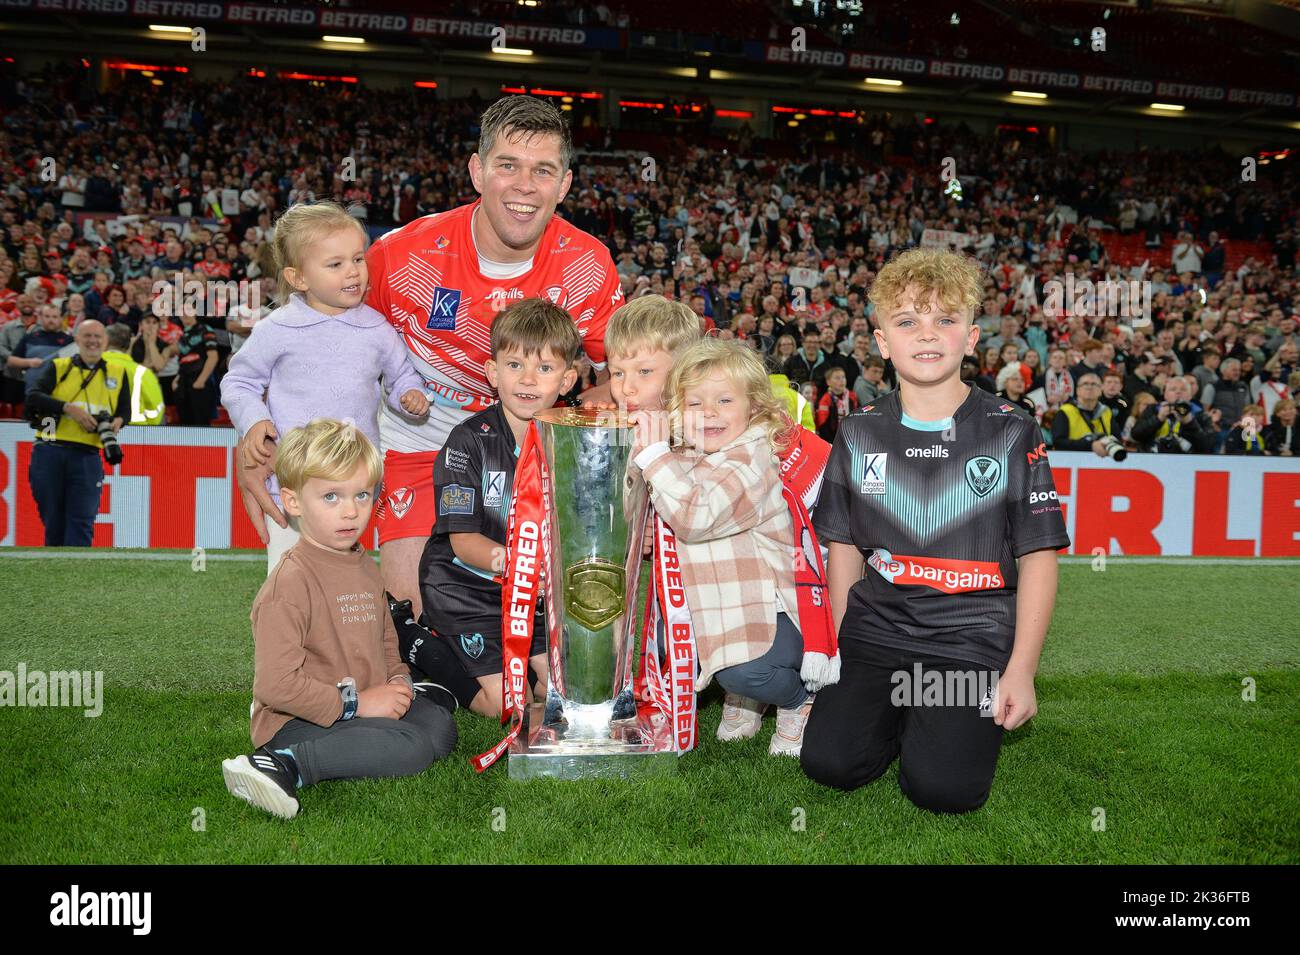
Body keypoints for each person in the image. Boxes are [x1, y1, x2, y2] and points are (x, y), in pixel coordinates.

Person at [235, 95, 623, 624]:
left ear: (565, 184)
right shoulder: (404, 255)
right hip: (420, 433)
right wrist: (256, 431)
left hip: (528, 445)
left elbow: (621, 380)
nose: (525, 185)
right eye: (508, 165)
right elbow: (308, 336)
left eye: (543, 170)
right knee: (414, 623)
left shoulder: (587, 264)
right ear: (477, 171)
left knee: (555, 622)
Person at [801, 247, 1070, 813]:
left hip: (970, 636)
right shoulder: (858, 431)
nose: (926, 334)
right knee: (830, 764)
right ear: (882, 343)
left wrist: (1021, 671)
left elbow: (1039, 557)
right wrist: (846, 645)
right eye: (907, 322)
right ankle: (900, 709)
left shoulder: (1012, 430)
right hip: (878, 629)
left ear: (970, 338)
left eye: (944, 320)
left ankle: (929, 718)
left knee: (944, 791)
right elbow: (843, 547)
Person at [220, 420, 457, 820]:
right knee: (413, 748)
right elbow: (275, 686)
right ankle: (282, 763)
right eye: (331, 496)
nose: (350, 511)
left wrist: (398, 681)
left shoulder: (364, 565)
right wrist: (359, 704)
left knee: (439, 729)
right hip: (299, 719)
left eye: (361, 495)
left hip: (363, 700)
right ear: (293, 502)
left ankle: (380, 722)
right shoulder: (289, 584)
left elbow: (386, 642)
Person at [629, 338, 839, 757]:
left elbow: (696, 517)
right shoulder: (685, 455)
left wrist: (652, 457)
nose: (709, 412)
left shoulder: (752, 459)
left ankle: (798, 699)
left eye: (724, 400)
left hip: (773, 611)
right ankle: (746, 697)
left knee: (742, 671)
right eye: (695, 403)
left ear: (754, 407)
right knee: (680, 647)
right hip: (718, 602)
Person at [220, 201, 430, 573]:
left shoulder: (377, 328)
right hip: (294, 480)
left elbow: (402, 376)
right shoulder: (277, 327)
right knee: (290, 573)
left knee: (341, 574)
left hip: (353, 479)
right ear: (298, 278)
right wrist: (254, 421)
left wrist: (408, 395)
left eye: (358, 259)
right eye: (335, 264)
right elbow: (239, 381)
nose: (353, 272)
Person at [417, 299, 580, 719]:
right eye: (514, 365)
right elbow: (463, 542)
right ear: (493, 373)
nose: (527, 379)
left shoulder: (573, 440)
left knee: (567, 691)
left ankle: (528, 664)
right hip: (466, 589)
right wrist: (522, 566)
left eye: (545, 368)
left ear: (567, 380)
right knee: (507, 703)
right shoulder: (466, 442)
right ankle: (416, 642)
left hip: (536, 595)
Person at [24, 320, 130, 546]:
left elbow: (125, 411)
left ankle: (78, 567)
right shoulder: (59, 367)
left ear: (106, 341)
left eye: (98, 336)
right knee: (53, 522)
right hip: (50, 449)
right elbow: (33, 396)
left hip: (87, 455)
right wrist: (68, 408)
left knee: (82, 522)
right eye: (87, 336)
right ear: (77, 339)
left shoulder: (118, 373)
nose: (93, 341)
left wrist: (118, 421)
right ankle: (56, 566)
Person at [1130, 376, 1216, 454]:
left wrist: (1189, 423)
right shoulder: (1153, 410)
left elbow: (1207, 447)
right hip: (1152, 459)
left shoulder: (1201, 415)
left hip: (1186, 461)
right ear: (1165, 395)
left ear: (1190, 396)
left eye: (1183, 389)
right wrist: (1158, 419)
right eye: (1173, 389)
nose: (1178, 392)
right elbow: (1136, 435)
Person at [103, 323, 165, 425]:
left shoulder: (90, 368)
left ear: (104, 341)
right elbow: (157, 408)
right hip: (137, 431)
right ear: (129, 345)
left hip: (97, 431)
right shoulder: (144, 373)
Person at [1052, 372, 1118, 456]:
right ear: (1077, 390)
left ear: (1100, 390)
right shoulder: (1065, 411)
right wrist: (1090, 445)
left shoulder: (1106, 412)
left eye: (1094, 384)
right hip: (1072, 460)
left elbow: (1117, 439)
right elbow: (1058, 443)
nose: (1089, 387)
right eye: (1085, 384)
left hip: (1102, 461)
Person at [816, 365, 859, 442]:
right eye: (837, 378)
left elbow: (857, 417)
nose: (842, 380)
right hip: (832, 439)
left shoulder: (852, 396)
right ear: (828, 382)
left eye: (843, 377)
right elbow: (822, 424)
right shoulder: (825, 399)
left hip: (852, 436)